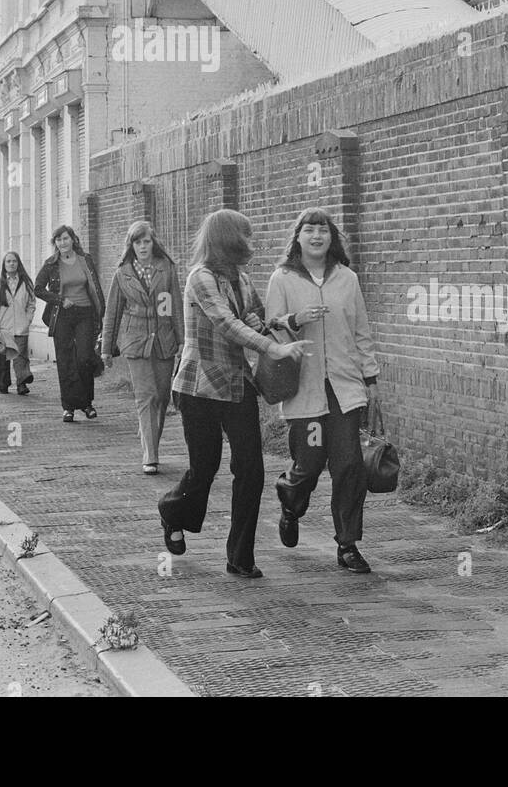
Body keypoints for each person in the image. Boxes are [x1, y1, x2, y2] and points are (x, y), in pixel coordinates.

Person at [157, 210, 309, 578]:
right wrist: (271, 349)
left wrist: (286, 323)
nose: (251, 243)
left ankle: (240, 556)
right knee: (204, 468)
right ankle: (172, 511)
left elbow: (256, 315)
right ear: (228, 239)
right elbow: (226, 324)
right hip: (199, 387)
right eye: (246, 236)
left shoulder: (239, 278)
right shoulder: (200, 277)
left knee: (251, 470)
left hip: (238, 384)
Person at [265, 208, 379, 575]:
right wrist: (296, 321)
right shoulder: (282, 279)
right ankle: (290, 500)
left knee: (349, 465)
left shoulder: (347, 278)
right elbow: (270, 331)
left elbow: (361, 331)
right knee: (310, 463)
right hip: (304, 389)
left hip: (344, 388)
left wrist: (371, 380)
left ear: (333, 238)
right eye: (309, 230)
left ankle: (347, 544)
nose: (317, 236)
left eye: (324, 230)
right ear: (297, 237)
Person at [102, 221, 182, 475]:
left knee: (161, 396)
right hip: (135, 341)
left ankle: (150, 441)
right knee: (146, 396)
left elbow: (174, 307)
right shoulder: (122, 273)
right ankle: (151, 454)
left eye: (146, 241)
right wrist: (106, 348)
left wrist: (181, 342)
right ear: (131, 245)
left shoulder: (166, 269)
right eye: (138, 242)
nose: (143, 246)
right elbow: (112, 312)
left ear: (153, 243)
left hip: (163, 340)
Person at [34, 226, 105, 423]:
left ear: (73, 239)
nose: (62, 243)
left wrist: (100, 313)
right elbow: (38, 288)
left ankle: (87, 403)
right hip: (63, 314)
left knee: (84, 357)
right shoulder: (51, 264)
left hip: (85, 313)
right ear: (55, 243)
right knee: (65, 361)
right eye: (58, 240)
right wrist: (59, 300)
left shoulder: (85, 259)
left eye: (65, 238)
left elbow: (95, 286)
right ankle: (68, 407)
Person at [0, 252, 36, 395]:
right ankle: (2, 383)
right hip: (4, 326)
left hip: (20, 326)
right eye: (8, 261)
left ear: (18, 263)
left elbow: (31, 303)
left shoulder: (26, 282)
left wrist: (28, 319)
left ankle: (22, 383)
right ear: (4, 265)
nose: (11, 264)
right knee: (3, 356)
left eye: (14, 261)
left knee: (20, 355)